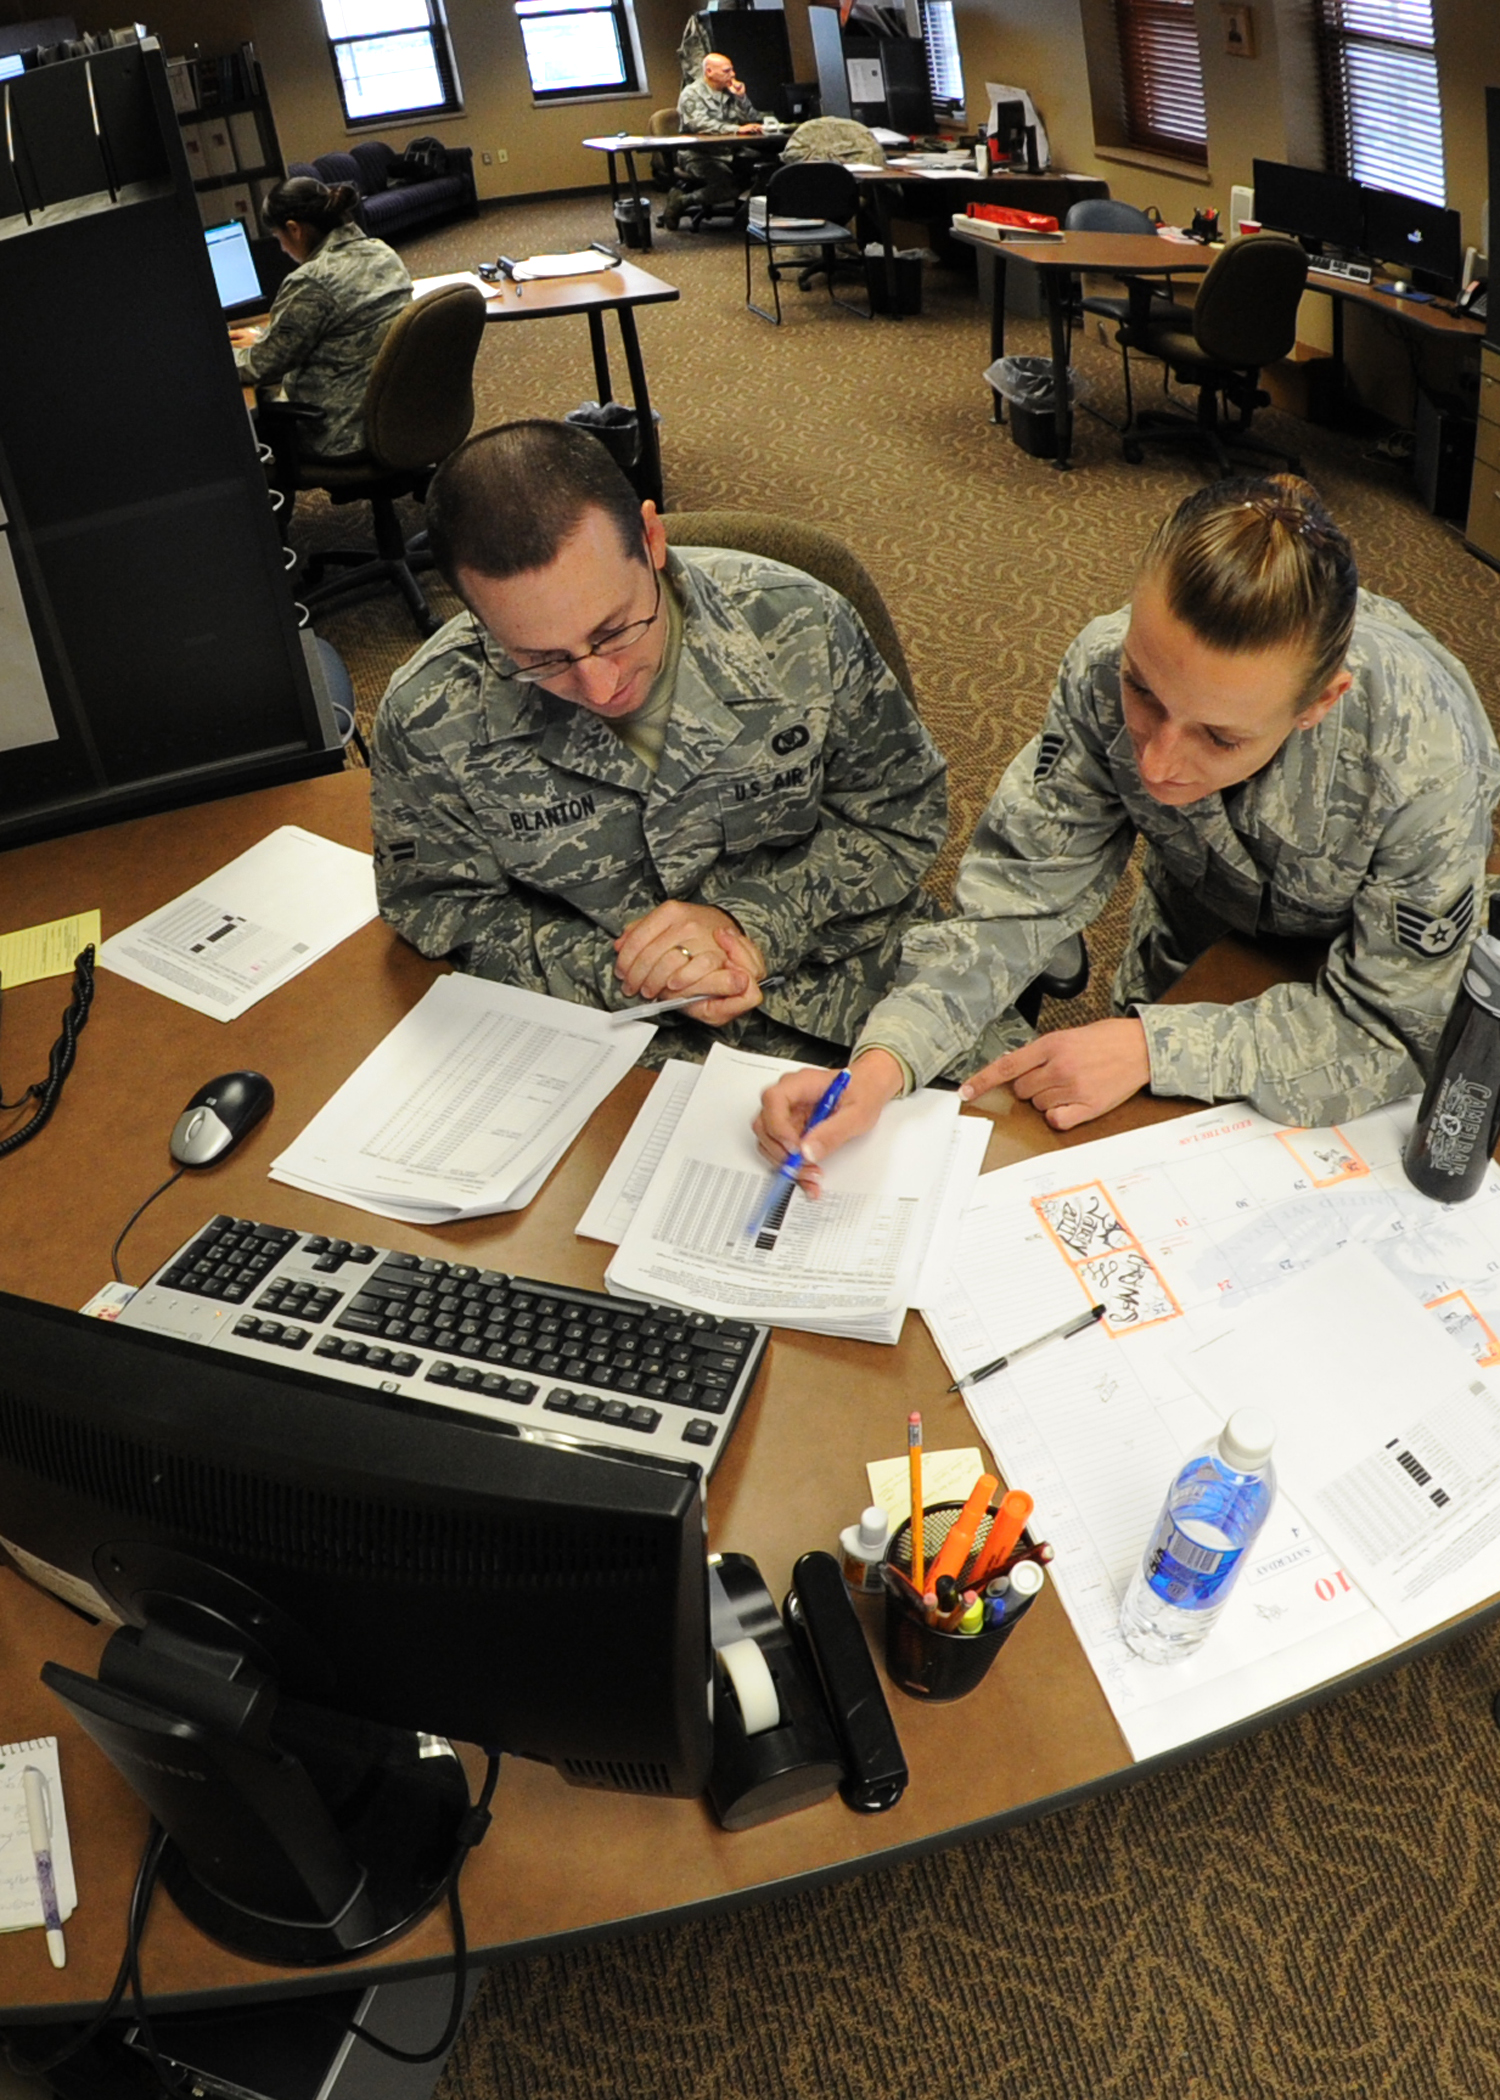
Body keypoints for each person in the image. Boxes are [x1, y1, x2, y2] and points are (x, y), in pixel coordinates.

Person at [755, 474, 1500, 1184]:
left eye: (1219, 737)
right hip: (1196, 924)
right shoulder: (1100, 665)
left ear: (1318, 704)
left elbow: (1393, 1029)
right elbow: (1016, 901)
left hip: (1369, 970)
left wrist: (1157, 1047)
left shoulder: (1424, 756)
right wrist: (885, 1062)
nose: (1159, 763)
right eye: (1143, 690)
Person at [368, 420, 949, 1061]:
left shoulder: (800, 624)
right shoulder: (430, 714)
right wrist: (636, 974)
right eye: (540, 657)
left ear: (652, 537)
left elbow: (901, 814)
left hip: (863, 993)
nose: (598, 682)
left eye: (616, 629)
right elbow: (438, 908)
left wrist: (750, 922)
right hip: (618, 1046)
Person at [230, 176, 411, 464]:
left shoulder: (311, 281)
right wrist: (266, 340)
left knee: (246, 423)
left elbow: (262, 366)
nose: (282, 248)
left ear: (294, 229)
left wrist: (220, 359)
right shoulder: (381, 251)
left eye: (279, 238)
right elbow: (341, 330)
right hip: (394, 416)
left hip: (338, 431)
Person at [663, 52, 766, 230]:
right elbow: (698, 124)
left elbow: (752, 118)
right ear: (709, 71)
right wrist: (735, 129)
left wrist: (742, 98)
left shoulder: (731, 91)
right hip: (698, 154)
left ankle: (747, 218)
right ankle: (681, 201)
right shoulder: (692, 93)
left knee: (764, 172)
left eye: (732, 70)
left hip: (731, 151)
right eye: (727, 71)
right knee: (728, 187)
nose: (733, 75)